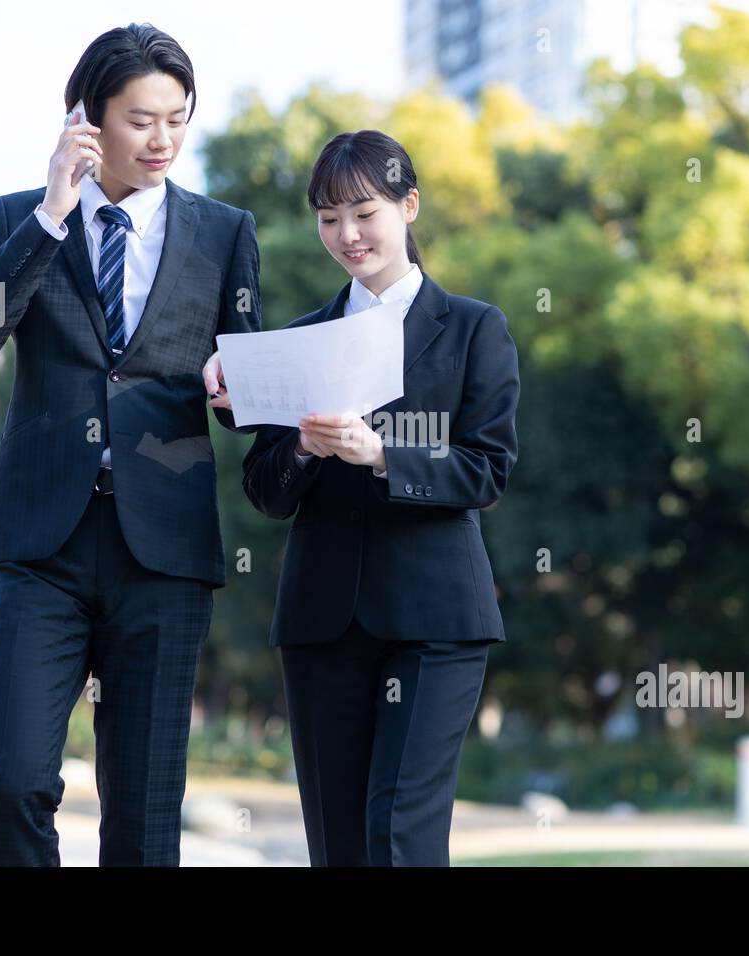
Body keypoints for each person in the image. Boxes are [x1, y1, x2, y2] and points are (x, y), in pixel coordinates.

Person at [0, 22, 260, 866]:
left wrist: (241, 389)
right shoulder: (18, 218)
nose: (163, 140)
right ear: (87, 118)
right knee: (11, 781)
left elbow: (248, 390)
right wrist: (51, 212)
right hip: (41, 541)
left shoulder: (226, 233)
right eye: (140, 119)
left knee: (146, 813)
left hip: (164, 548)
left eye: (178, 118)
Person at [211, 129, 520, 865]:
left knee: (398, 836)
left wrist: (383, 454)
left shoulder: (475, 329)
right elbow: (265, 490)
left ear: (408, 206)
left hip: (435, 623)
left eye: (364, 212)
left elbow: (487, 468)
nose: (346, 235)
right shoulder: (299, 340)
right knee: (339, 847)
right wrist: (303, 447)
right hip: (322, 625)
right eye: (327, 218)